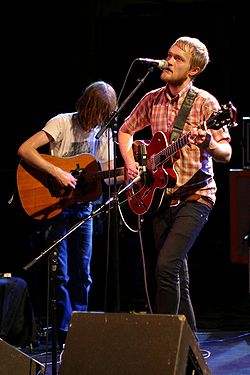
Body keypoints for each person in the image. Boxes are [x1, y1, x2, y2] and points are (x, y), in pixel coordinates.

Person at [118, 36, 232, 336]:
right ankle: (190, 348)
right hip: (160, 198)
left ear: (193, 70)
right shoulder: (151, 98)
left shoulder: (206, 103)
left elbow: (225, 153)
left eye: (177, 58)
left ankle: (164, 342)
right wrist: (130, 163)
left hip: (196, 196)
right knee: (176, 272)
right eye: (168, 55)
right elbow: (125, 130)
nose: (168, 61)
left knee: (166, 267)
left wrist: (209, 140)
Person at [17, 80, 118, 348]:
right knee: (58, 273)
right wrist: (57, 171)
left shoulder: (103, 133)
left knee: (82, 274)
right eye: (97, 112)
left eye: (104, 114)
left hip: (83, 208)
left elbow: (106, 176)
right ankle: (63, 330)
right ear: (86, 106)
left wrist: (127, 173)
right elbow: (25, 150)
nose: (99, 119)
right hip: (56, 206)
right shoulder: (61, 123)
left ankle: (79, 330)